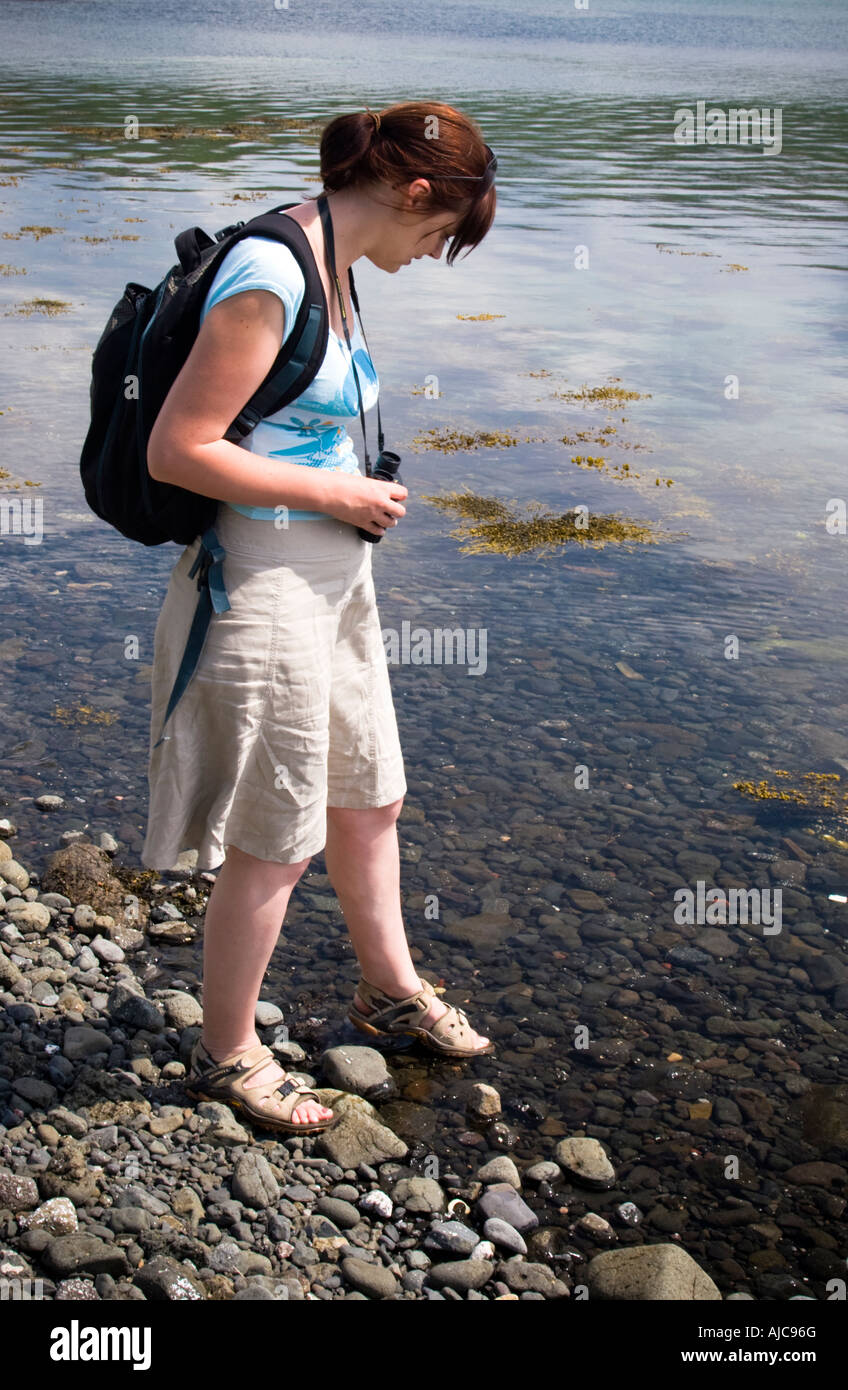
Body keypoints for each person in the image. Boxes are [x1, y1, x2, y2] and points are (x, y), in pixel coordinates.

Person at [140, 102, 498, 1135]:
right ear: (413, 194)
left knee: (368, 791)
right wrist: (336, 496)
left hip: (334, 576)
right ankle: (227, 1050)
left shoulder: (333, 252)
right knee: (276, 832)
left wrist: (342, 500)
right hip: (262, 579)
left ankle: (387, 988)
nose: (434, 256)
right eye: (441, 235)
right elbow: (178, 448)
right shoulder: (276, 272)